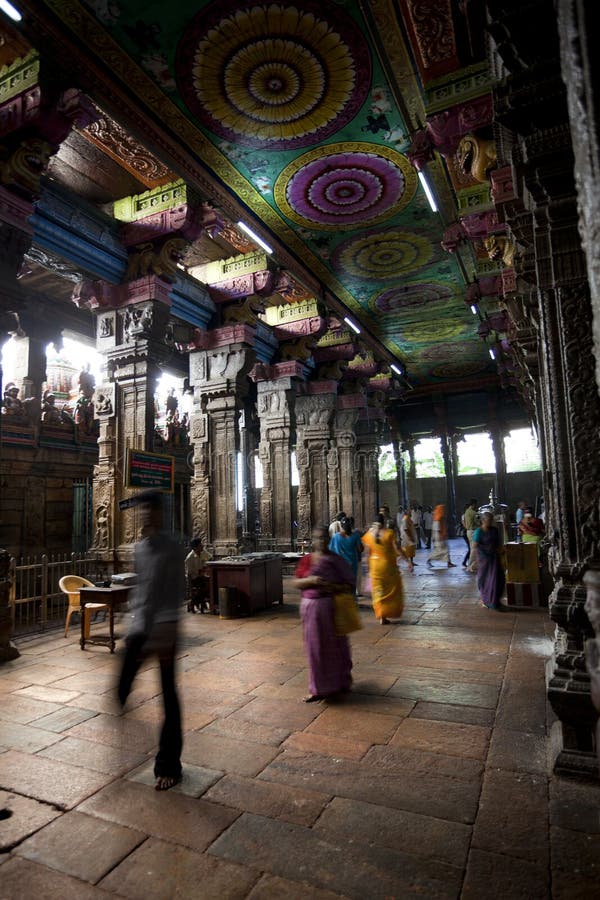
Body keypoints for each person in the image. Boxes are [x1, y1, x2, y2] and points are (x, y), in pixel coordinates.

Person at [117, 490, 185, 791]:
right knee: (122, 679)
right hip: (140, 625)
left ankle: (169, 764)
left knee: (168, 694)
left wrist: (165, 630)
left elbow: (175, 592)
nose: (145, 514)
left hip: (165, 627)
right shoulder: (140, 548)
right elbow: (141, 590)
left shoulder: (172, 548)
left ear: (161, 513)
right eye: (142, 509)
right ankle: (121, 704)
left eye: (151, 509)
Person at [292, 524, 354, 703]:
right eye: (317, 538)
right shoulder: (307, 560)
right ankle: (317, 688)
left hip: (331, 608)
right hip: (311, 609)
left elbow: (349, 585)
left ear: (329, 538)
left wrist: (331, 586)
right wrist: (310, 580)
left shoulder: (336, 560)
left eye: (324, 538)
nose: (321, 541)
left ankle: (340, 682)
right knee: (315, 649)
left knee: (336, 648)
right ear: (312, 541)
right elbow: (296, 582)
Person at [362, 514, 404, 624]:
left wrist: (368, 569)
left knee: (378, 592)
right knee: (391, 590)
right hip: (388, 566)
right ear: (384, 522)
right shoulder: (389, 533)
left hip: (375, 566)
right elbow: (397, 548)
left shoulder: (369, 535)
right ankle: (388, 612)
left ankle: (381, 616)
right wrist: (408, 561)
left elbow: (367, 554)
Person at [472, 511, 505, 609]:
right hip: (484, 559)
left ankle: (495, 600)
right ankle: (486, 600)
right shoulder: (479, 531)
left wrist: (501, 551)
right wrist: (474, 562)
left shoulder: (494, 530)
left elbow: (498, 543)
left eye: (491, 520)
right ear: (482, 520)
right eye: (488, 520)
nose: (490, 522)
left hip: (494, 558)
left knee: (498, 579)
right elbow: (474, 546)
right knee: (484, 579)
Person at [329, 516, 362, 590]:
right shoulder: (355, 536)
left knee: (341, 585)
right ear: (351, 525)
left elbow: (330, 550)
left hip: (340, 565)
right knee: (351, 586)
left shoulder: (336, 537)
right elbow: (360, 549)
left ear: (341, 526)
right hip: (352, 564)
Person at [184, 537, 211, 613]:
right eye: (200, 545)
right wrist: (190, 588)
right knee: (207, 585)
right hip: (194, 579)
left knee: (212, 582)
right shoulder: (190, 558)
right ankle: (193, 602)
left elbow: (210, 558)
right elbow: (189, 574)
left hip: (202, 576)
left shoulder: (202, 552)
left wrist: (206, 567)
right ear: (196, 547)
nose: (202, 546)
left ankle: (196, 602)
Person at [427, 504, 456, 568]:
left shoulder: (440, 517)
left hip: (442, 536)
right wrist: (441, 536)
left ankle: (449, 563)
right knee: (441, 551)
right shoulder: (438, 518)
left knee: (446, 550)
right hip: (439, 537)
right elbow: (437, 529)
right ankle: (430, 559)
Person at [399, 508, 417, 574]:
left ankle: (411, 562)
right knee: (406, 551)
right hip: (407, 537)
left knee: (411, 550)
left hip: (410, 537)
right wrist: (410, 537)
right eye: (410, 512)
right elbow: (405, 529)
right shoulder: (405, 519)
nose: (411, 513)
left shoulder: (409, 519)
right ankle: (403, 562)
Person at [463, 499, 479, 570]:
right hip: (473, 531)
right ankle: (470, 565)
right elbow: (477, 523)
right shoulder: (473, 513)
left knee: (472, 548)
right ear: (473, 504)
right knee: (474, 549)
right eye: (475, 504)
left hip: (468, 531)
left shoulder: (466, 511)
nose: (476, 506)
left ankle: (473, 565)